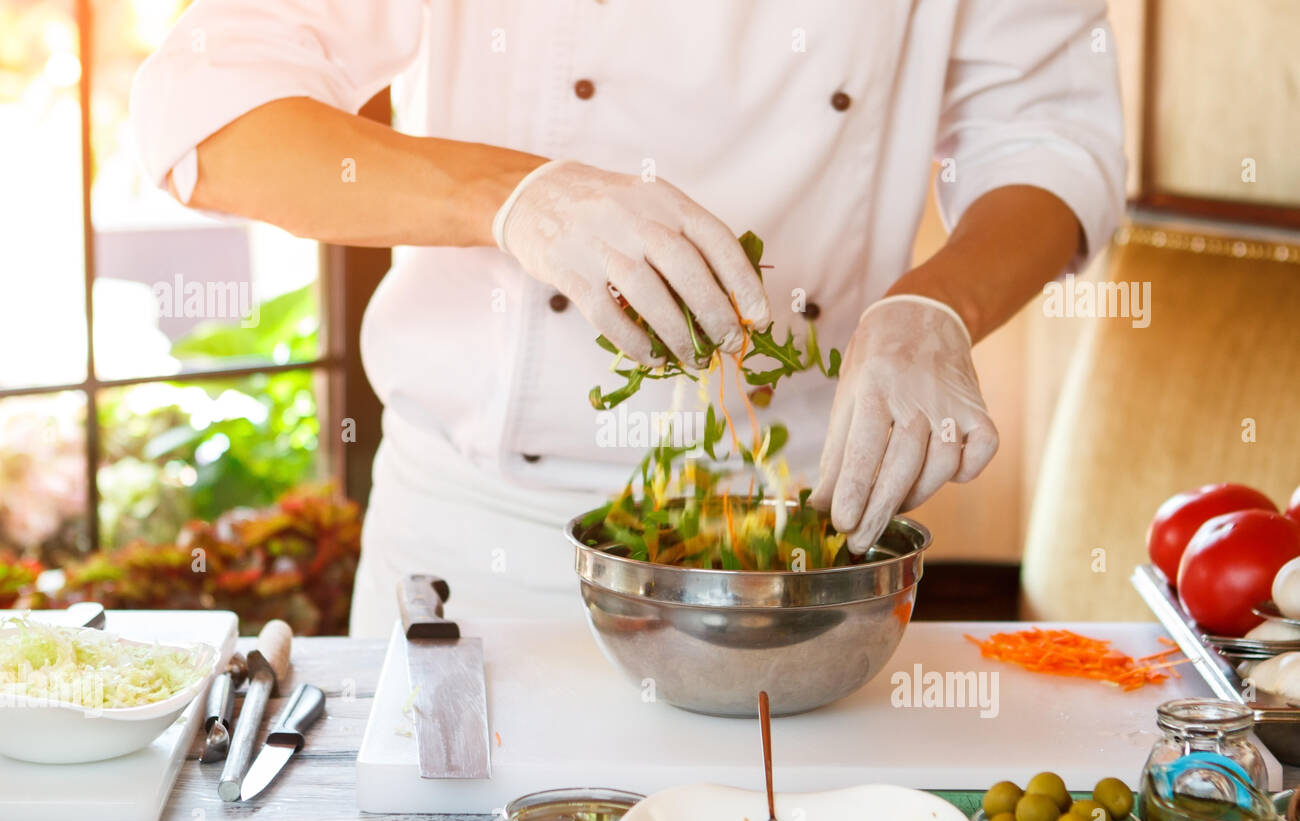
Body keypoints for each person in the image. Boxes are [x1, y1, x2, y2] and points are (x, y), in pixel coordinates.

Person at [130, 0, 1124, 636]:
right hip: (482, 557)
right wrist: (518, 197)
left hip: (798, 554)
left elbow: (1046, 134)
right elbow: (207, 111)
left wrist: (933, 304)